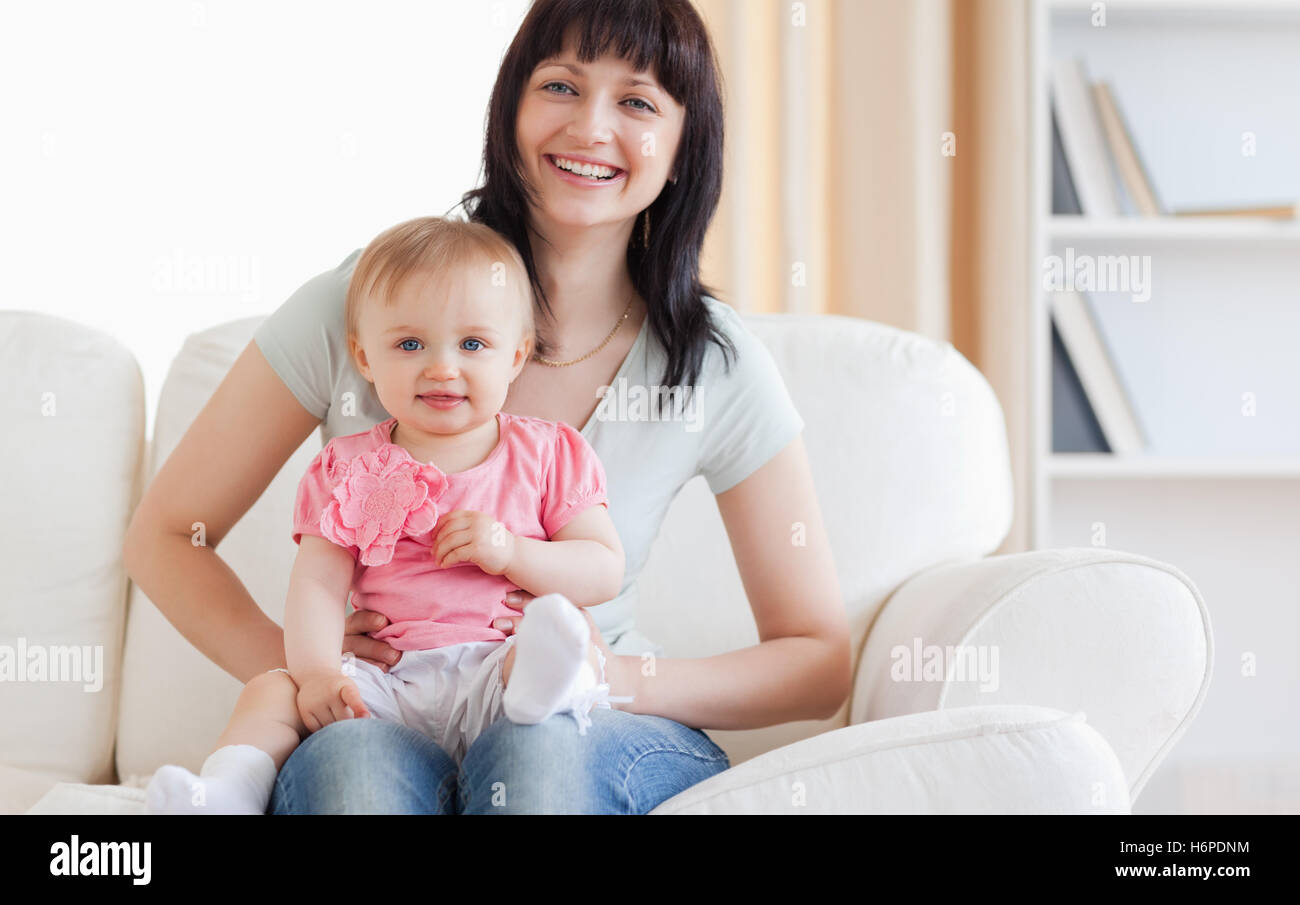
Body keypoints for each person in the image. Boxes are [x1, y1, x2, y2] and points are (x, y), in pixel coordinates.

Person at [124, 0, 851, 815]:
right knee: (354, 773)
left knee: (533, 747)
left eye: (638, 101)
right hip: (388, 704)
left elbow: (819, 659)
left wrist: (614, 677)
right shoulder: (366, 303)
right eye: (560, 86)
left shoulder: (711, 361)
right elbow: (166, 536)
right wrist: (312, 671)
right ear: (509, 110)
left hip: (587, 721)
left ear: (685, 148)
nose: (590, 126)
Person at [145, 217, 633, 814]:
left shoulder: (548, 454)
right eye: (409, 345)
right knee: (271, 690)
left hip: (496, 671)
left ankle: (540, 697)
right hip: (388, 684)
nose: (442, 367)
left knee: (560, 646)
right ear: (364, 358)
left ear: (517, 356)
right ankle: (224, 792)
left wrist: (513, 552)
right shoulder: (346, 466)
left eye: (473, 344)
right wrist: (320, 672)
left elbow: (603, 568)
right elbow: (319, 585)